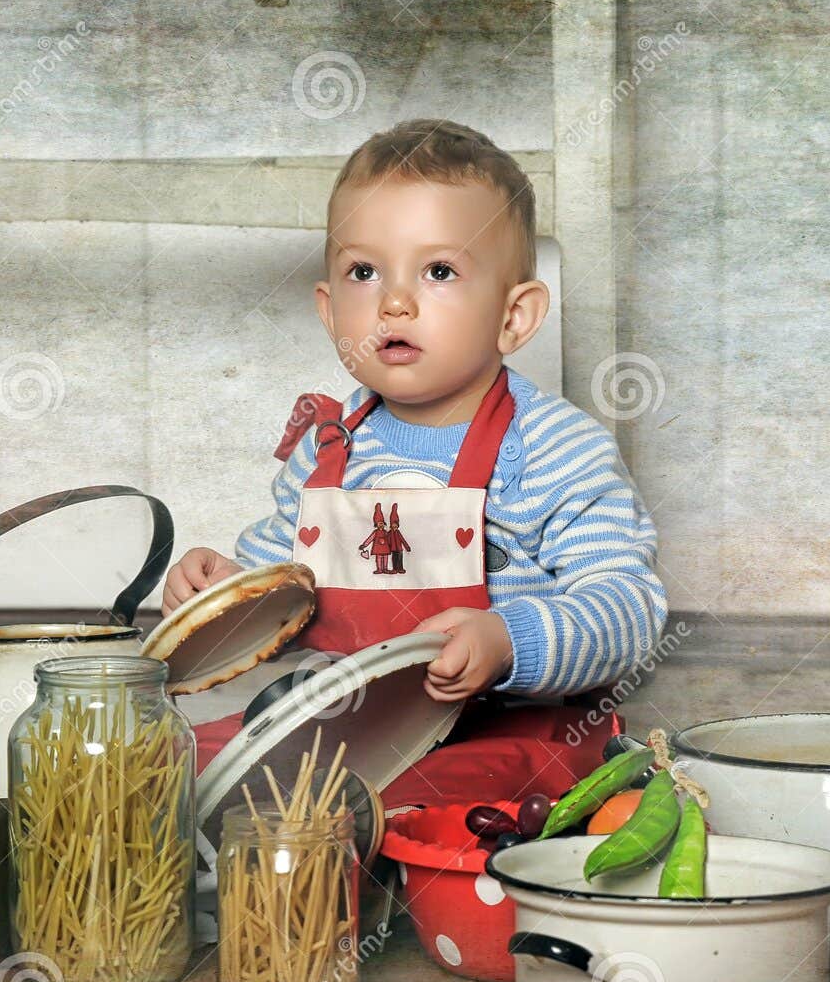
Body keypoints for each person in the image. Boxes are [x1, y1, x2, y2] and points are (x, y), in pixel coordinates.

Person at [163, 119, 666, 716]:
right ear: (329, 312)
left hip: (506, 750)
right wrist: (227, 591)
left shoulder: (553, 448)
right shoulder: (330, 445)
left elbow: (627, 607)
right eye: (364, 272)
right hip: (343, 744)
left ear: (514, 317)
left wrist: (511, 643)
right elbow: (282, 587)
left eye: (440, 272)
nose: (394, 301)